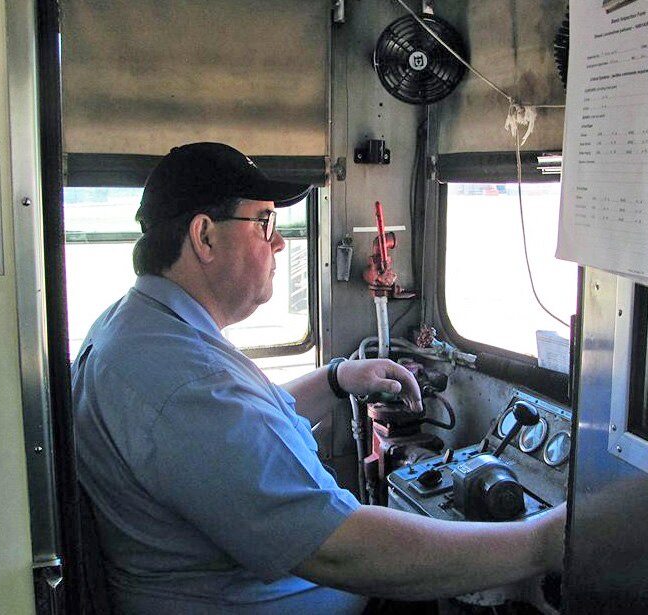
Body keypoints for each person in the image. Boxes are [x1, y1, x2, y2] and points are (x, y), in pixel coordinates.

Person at [72, 142, 565, 614]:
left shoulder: (137, 326)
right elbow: (338, 550)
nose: (281, 242)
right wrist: (542, 543)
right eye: (265, 222)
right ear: (204, 237)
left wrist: (336, 379)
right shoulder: (188, 383)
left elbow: (237, 433)